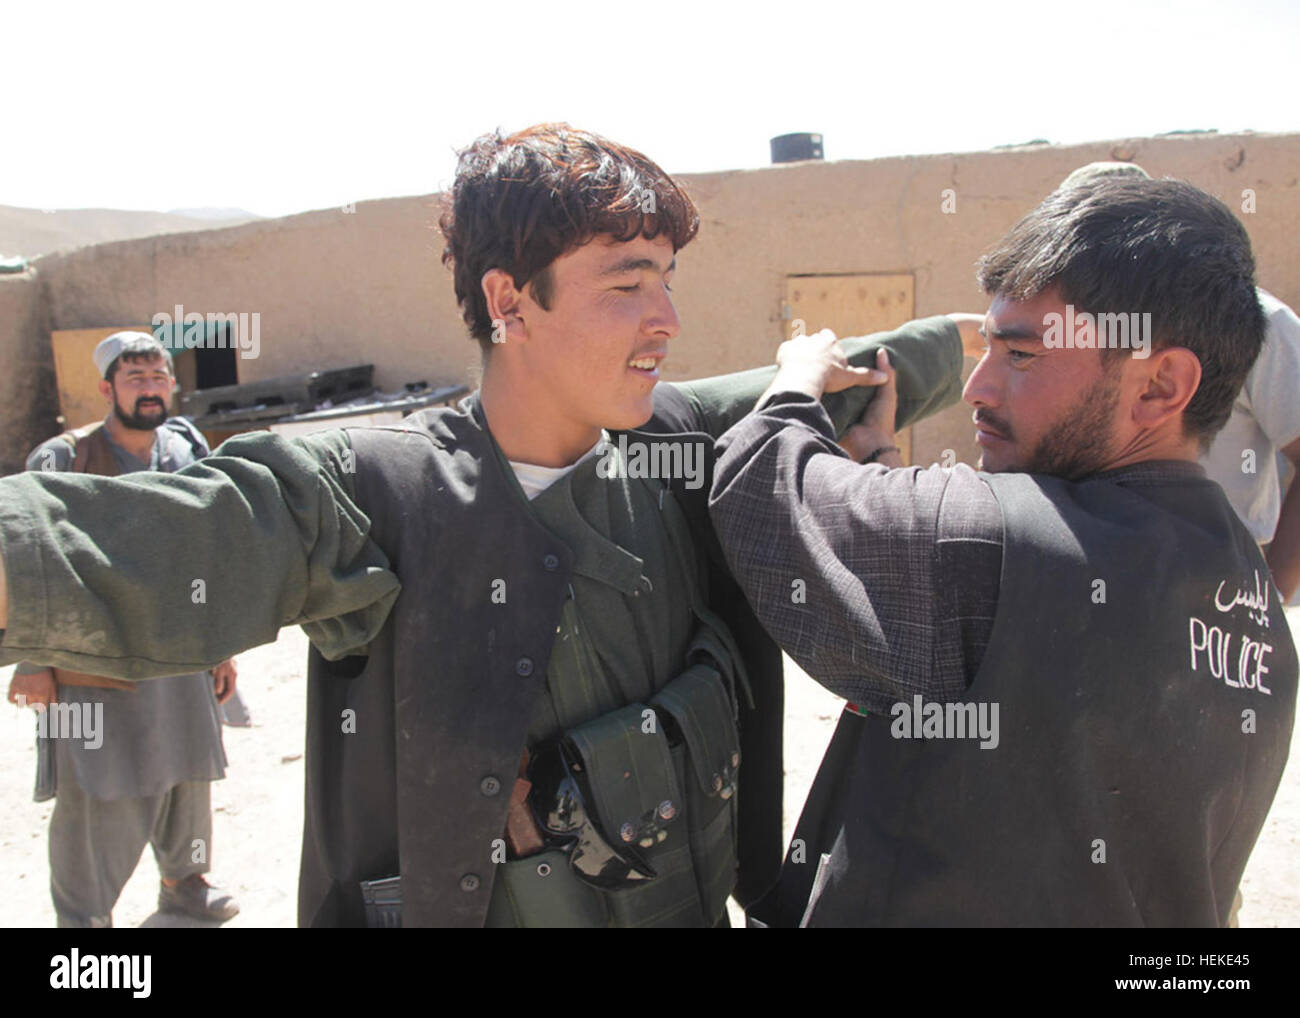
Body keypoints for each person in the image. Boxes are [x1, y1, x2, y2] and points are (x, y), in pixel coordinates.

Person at [0, 124, 966, 927]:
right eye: (627, 285)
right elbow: (156, 545)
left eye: (668, 279)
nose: (667, 316)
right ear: (510, 302)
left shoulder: (677, 437)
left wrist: (1001, 339)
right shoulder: (374, 491)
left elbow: (854, 377)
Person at [708, 176, 1297, 926]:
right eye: (986, 348)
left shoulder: (999, 545)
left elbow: (764, 491)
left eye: (1020, 355)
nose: (978, 388)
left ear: (1160, 386)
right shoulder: (1243, 582)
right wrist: (884, 452)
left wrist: (795, 384)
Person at [5, 331, 240, 927]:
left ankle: (186, 887)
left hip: (183, 653)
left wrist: (223, 645)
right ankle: (82, 925)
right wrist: (34, 660)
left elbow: (210, 549)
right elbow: (29, 557)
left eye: (159, 376)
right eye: (135, 379)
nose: (151, 388)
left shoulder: (186, 450)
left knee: (189, 772)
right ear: (107, 388)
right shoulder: (64, 459)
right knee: (96, 792)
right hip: (94, 659)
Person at [1057, 162, 1300, 601]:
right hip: (1092, 580)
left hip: (1218, 586)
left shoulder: (1254, 321)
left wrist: (1272, 592)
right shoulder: (1070, 329)